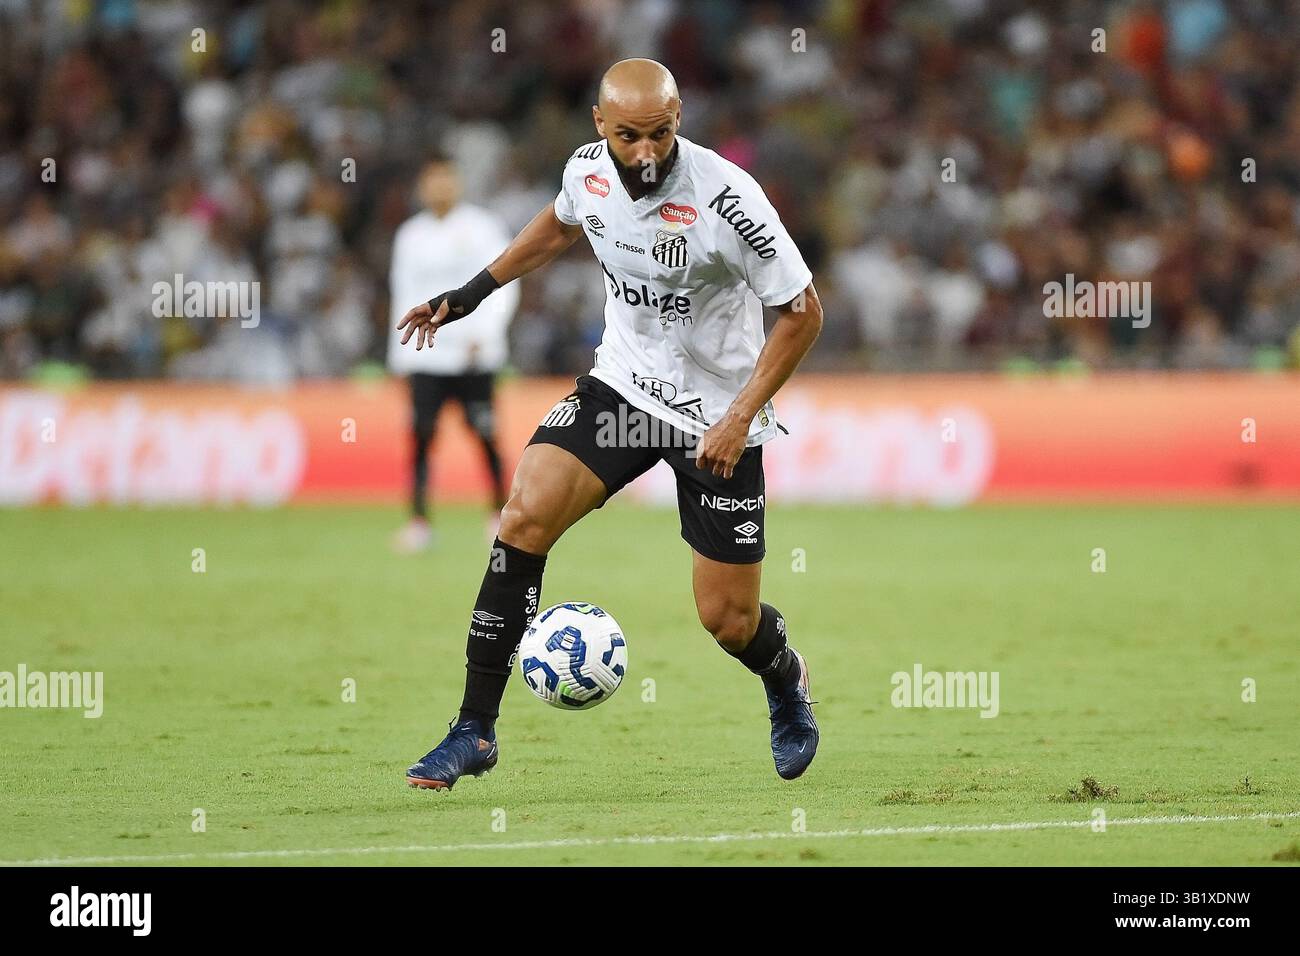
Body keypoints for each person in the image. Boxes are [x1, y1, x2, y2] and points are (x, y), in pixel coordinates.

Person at [397, 59, 823, 786]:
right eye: (629, 136)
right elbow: (560, 227)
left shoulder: (729, 200)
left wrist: (739, 414)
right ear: (601, 126)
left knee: (728, 620)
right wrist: (470, 294)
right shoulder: (587, 171)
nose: (646, 152)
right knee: (524, 516)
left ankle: (783, 677)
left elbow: (803, 313)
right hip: (622, 391)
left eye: (659, 134)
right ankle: (473, 730)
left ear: (679, 117)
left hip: (716, 420)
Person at [387, 153, 520, 551]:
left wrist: (488, 332)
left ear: (457, 182)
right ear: (422, 187)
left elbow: (505, 282)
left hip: (473, 353)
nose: (439, 188)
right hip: (425, 358)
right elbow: (403, 293)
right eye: (431, 180)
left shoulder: (483, 228)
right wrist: (400, 358)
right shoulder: (410, 235)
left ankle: (498, 514)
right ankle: (419, 520)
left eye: (445, 179)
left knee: (484, 433)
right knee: (421, 435)